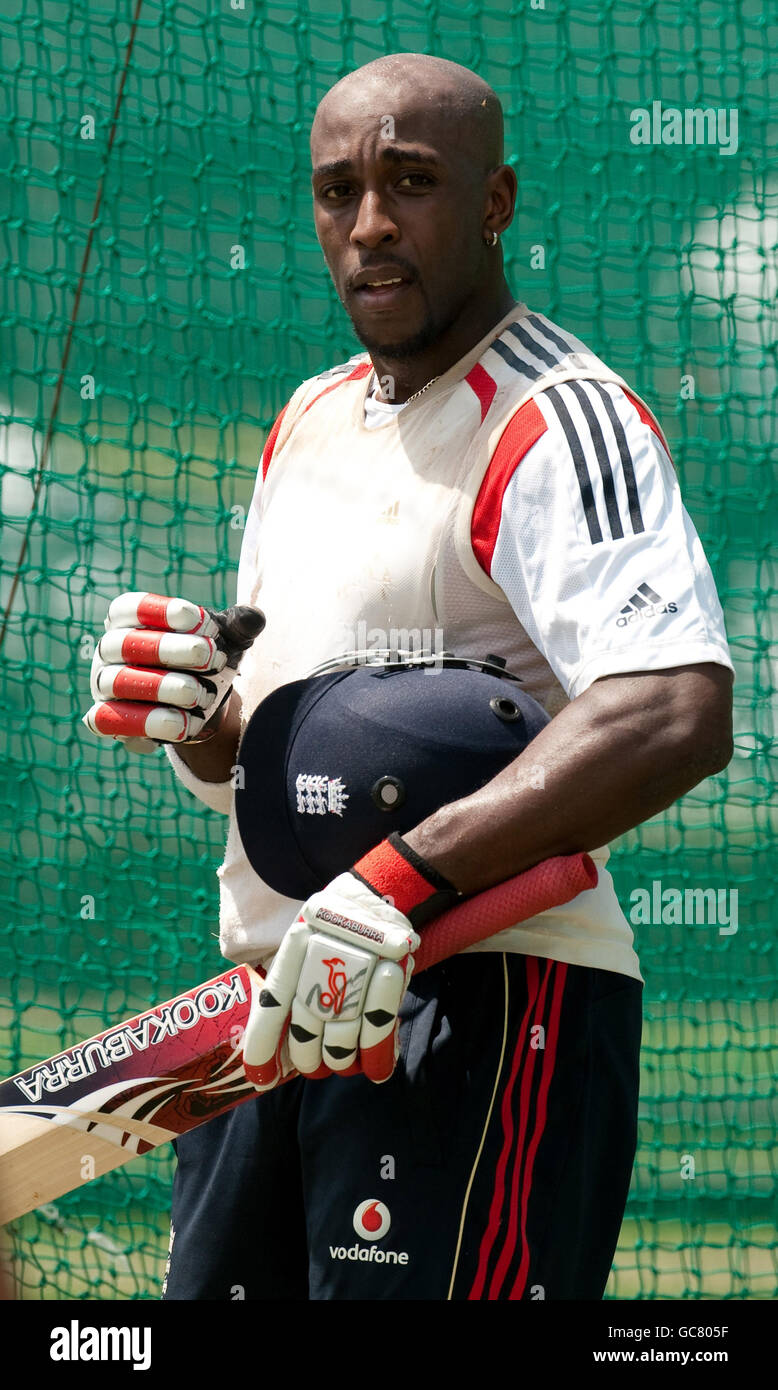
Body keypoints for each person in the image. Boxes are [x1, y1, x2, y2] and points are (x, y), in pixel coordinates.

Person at [86, 53, 734, 1300]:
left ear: (495, 203)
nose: (369, 224)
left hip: (483, 1007)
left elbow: (671, 711)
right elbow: (303, 763)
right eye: (338, 191)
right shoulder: (307, 417)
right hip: (268, 1010)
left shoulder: (558, 414)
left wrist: (396, 884)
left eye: (411, 182)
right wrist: (199, 717)